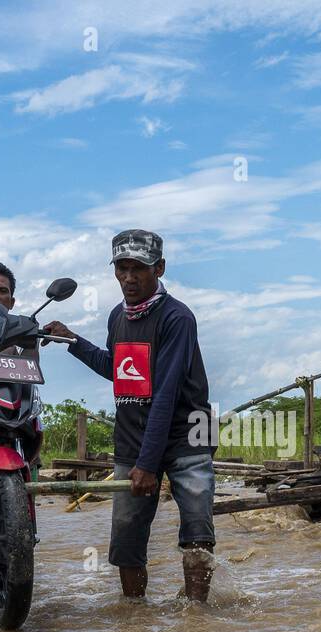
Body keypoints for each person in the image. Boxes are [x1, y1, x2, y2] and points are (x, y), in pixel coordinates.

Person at [42, 229, 217, 602]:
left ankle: (197, 621)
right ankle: (134, 619)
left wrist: (148, 465)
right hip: (135, 437)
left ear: (160, 268)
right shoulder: (116, 318)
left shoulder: (177, 318)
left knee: (197, 531)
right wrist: (72, 340)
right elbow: (119, 368)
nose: (129, 278)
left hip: (188, 437)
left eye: (138, 269)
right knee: (125, 537)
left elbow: (166, 394)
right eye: (122, 269)